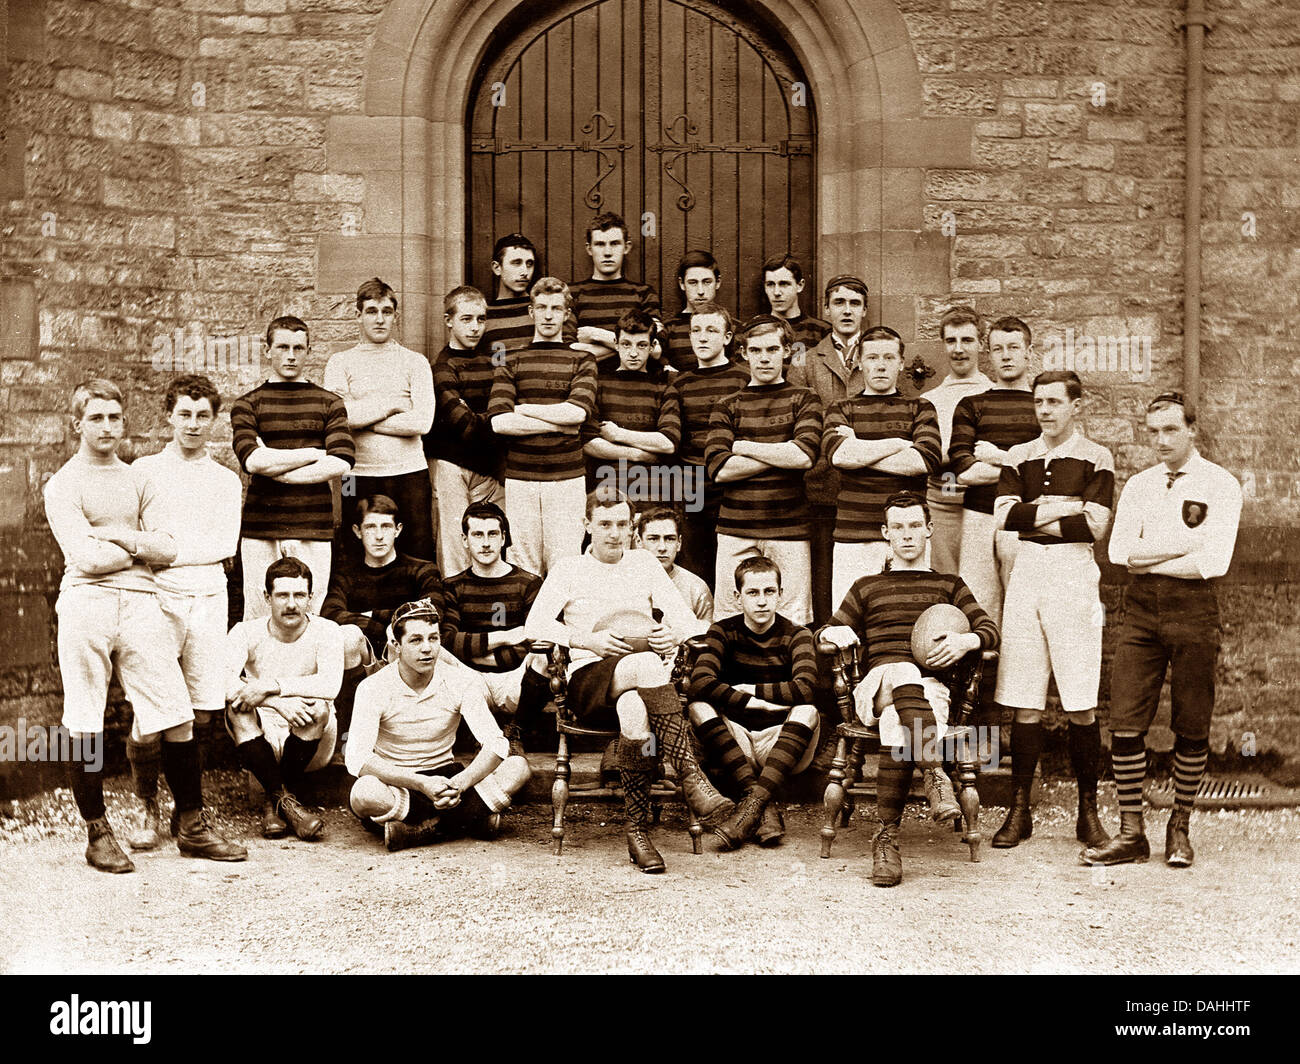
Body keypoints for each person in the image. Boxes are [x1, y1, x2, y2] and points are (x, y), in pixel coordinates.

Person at [44, 379, 245, 872]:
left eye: (114, 417)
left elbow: (169, 547)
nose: (107, 427)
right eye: (96, 418)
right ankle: (97, 831)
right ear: (78, 425)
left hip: (142, 604)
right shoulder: (63, 483)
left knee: (176, 713)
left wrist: (114, 535)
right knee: (85, 719)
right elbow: (84, 558)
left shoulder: (139, 478)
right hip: (86, 603)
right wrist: (137, 547)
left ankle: (191, 825)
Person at [524, 487, 730, 873]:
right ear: (587, 525)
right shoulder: (569, 568)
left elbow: (687, 622)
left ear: (631, 526)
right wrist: (587, 639)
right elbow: (534, 625)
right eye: (604, 524)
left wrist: (672, 634)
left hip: (640, 686)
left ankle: (637, 833)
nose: (614, 533)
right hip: (587, 677)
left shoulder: (644, 564)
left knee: (635, 710)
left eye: (622, 524)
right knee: (649, 666)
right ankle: (690, 776)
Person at [1082, 392, 1242, 868]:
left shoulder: (1220, 484)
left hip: (1194, 612)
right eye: (1153, 431)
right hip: (1142, 611)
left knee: (1191, 724)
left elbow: (1213, 562)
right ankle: (1132, 832)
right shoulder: (1140, 485)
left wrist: (1151, 552)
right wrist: (1182, 547)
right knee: (1126, 723)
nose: (1161, 440)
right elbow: (1117, 555)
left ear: (1193, 429)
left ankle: (1180, 827)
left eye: (1171, 429)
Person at [819, 491, 998, 887]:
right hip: (874, 689)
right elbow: (823, 637)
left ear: (930, 529)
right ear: (885, 533)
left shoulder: (950, 585)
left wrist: (966, 642)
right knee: (900, 670)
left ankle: (886, 840)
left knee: (901, 719)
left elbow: (989, 630)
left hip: (926, 693)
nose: (907, 535)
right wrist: (836, 632)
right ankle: (934, 771)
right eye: (897, 527)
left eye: (915, 525)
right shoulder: (866, 586)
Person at [990, 370, 1115, 851]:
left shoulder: (1096, 456)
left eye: (1055, 402)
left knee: (1081, 700)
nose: (1045, 410)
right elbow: (1005, 517)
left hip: (1072, 576)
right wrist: (1065, 507)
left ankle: (1089, 813)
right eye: (1039, 402)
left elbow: (1095, 527)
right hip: (1026, 574)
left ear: (1075, 405)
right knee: (1024, 699)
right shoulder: (1018, 455)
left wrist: (1037, 510)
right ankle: (1020, 811)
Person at [125, 374, 243, 851]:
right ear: (168, 415)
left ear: (214, 420)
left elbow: (222, 545)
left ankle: (185, 813)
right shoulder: (144, 471)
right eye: (184, 414)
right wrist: (154, 554)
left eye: (203, 416)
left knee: (199, 713)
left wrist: (166, 547)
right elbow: (132, 541)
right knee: (150, 711)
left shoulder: (224, 479)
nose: (193, 424)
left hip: (209, 598)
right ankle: (145, 805)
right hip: (155, 598)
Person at [347, 599, 532, 851]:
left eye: (433, 638)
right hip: (400, 781)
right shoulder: (373, 687)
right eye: (415, 640)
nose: (427, 648)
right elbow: (357, 759)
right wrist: (421, 783)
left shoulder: (460, 680)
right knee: (363, 793)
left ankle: (419, 832)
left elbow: (496, 743)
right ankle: (469, 821)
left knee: (518, 767)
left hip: (448, 779)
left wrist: (461, 783)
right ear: (396, 646)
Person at [687, 557, 819, 849]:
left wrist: (752, 688)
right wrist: (752, 702)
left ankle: (749, 805)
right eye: (753, 593)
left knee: (807, 711)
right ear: (738, 597)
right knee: (698, 708)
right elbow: (700, 683)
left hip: (780, 739)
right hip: (736, 740)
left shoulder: (797, 635)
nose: (762, 601)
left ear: (781, 595)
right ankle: (759, 803)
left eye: (769, 592)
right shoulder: (722, 631)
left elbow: (807, 688)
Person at [231, 315, 354, 618]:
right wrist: (313, 452)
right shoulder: (248, 404)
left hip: (313, 524)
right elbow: (252, 460)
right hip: (261, 526)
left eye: (299, 348)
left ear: (309, 351)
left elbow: (340, 460)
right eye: (283, 346)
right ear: (267, 349)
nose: (291, 355)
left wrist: (277, 467)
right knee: (259, 614)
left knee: (310, 613)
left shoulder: (329, 403)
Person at [706, 315, 823, 625]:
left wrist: (743, 446)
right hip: (735, 528)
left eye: (772, 349)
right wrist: (782, 450)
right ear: (744, 353)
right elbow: (718, 469)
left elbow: (804, 456)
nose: (764, 357)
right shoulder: (727, 405)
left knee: (792, 619)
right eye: (756, 350)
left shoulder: (805, 398)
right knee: (732, 619)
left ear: (787, 350)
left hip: (789, 528)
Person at [225, 556, 345, 841]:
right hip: (261, 734)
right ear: (267, 597)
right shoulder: (246, 631)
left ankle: (273, 799)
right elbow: (222, 681)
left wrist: (271, 686)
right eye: (282, 595)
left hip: (311, 736)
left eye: (299, 595)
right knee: (237, 709)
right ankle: (286, 803)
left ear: (311, 597)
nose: (291, 604)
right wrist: (276, 702)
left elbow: (331, 685)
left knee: (316, 707)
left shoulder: (326, 630)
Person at [823, 325, 942, 609]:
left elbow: (923, 460)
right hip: (854, 536)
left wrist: (860, 449)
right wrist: (900, 442)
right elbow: (839, 457)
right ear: (859, 362)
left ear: (901, 364)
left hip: (908, 534)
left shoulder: (921, 408)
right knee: (850, 624)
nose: (880, 365)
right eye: (872, 357)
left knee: (908, 619)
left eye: (889, 358)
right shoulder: (841, 408)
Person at [488, 276, 598, 576]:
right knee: (523, 561)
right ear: (531, 312)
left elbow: (577, 414)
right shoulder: (510, 360)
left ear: (566, 313)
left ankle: (564, 623)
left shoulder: (583, 359)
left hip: (567, 477)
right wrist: (558, 425)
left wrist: (524, 410)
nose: (548, 315)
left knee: (565, 562)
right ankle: (528, 624)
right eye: (542, 307)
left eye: (556, 308)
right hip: (521, 477)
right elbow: (499, 422)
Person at [326, 277, 436, 563]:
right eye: (372, 311)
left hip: (408, 472)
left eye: (386, 312)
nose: (379, 319)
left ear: (395, 316)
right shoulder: (341, 362)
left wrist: (364, 419)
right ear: (358, 315)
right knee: (356, 554)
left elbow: (422, 423)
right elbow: (339, 417)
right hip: (357, 474)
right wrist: (393, 406)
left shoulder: (415, 361)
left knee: (415, 553)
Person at [320, 494, 444, 742]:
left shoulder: (421, 569)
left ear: (398, 530)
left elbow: (432, 611)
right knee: (347, 636)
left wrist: (372, 616)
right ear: (357, 531)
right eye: (370, 527)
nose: (379, 536)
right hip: (366, 662)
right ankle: (351, 732)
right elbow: (330, 615)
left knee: (412, 636)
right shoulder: (346, 574)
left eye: (386, 526)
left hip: (403, 655)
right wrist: (385, 623)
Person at [787, 275, 869, 625]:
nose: (846, 311)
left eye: (854, 304)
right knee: (823, 574)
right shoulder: (807, 360)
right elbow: (796, 418)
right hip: (821, 484)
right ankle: (827, 654)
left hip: (867, 485)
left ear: (865, 310)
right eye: (839, 303)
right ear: (826, 309)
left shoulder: (879, 353)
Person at [948, 315, 1039, 627]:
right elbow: (964, 473)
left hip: (1024, 517)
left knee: (1022, 606)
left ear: (1029, 351)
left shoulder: (1042, 406)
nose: (1006, 355)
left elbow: (1048, 473)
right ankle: (981, 676)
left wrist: (999, 457)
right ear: (988, 353)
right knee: (977, 607)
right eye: (998, 348)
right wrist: (1021, 470)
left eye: (1014, 347)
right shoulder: (971, 405)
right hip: (978, 517)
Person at [440, 502, 551, 751]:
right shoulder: (453, 586)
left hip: (516, 681)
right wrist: (505, 637)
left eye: (492, 534)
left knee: (542, 655)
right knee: (434, 652)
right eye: (477, 534)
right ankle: (485, 737)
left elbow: (537, 640)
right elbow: (447, 641)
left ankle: (514, 731)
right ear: (465, 540)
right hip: (470, 681)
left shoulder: (529, 583)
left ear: (503, 538)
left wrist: (481, 653)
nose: (485, 542)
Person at [666, 301, 747, 590]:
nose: (702, 337)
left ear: (727, 337)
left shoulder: (744, 378)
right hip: (692, 485)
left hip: (733, 483)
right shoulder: (681, 383)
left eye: (711, 330)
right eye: (696, 330)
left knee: (732, 566)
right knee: (695, 566)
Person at [427, 284, 505, 576]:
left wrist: (487, 416)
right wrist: (496, 418)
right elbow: (464, 424)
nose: (475, 327)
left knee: (491, 540)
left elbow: (505, 407)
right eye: (466, 319)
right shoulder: (441, 367)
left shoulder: (493, 363)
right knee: (455, 542)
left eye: (481, 319)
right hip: (452, 464)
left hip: (490, 468)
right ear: (449, 321)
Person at [582, 308, 681, 504]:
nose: (633, 353)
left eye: (641, 345)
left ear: (653, 346)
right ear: (616, 345)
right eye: (626, 344)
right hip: (607, 495)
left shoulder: (664, 387)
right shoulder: (598, 385)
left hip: (654, 494)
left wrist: (618, 435)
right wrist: (641, 454)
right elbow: (589, 443)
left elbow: (668, 443)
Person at [924, 307, 993, 575]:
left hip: (982, 505)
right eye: (951, 341)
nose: (959, 349)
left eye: (967, 340)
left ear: (981, 344)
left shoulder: (992, 393)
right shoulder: (930, 399)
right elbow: (927, 455)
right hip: (940, 504)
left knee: (980, 584)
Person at [568, 211, 663, 371]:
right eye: (599, 244)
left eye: (614, 243)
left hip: (634, 386)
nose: (607, 252)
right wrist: (633, 344)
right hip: (588, 386)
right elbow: (568, 352)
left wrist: (594, 335)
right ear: (589, 248)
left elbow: (656, 351)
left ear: (626, 247)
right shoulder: (572, 294)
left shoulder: (644, 294)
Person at [636, 507, 713, 622]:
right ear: (639, 542)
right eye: (653, 539)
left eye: (670, 539)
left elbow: (707, 636)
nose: (662, 548)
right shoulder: (623, 581)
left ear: (679, 543)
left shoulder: (695, 587)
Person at [661, 250, 728, 373]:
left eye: (707, 282)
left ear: (718, 282)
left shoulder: (733, 328)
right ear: (682, 284)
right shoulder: (669, 329)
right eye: (693, 283)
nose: (700, 291)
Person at [760, 252, 830, 359]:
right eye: (770, 284)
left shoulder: (822, 332)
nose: (777, 292)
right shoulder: (753, 330)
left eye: (784, 284)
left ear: (800, 285)